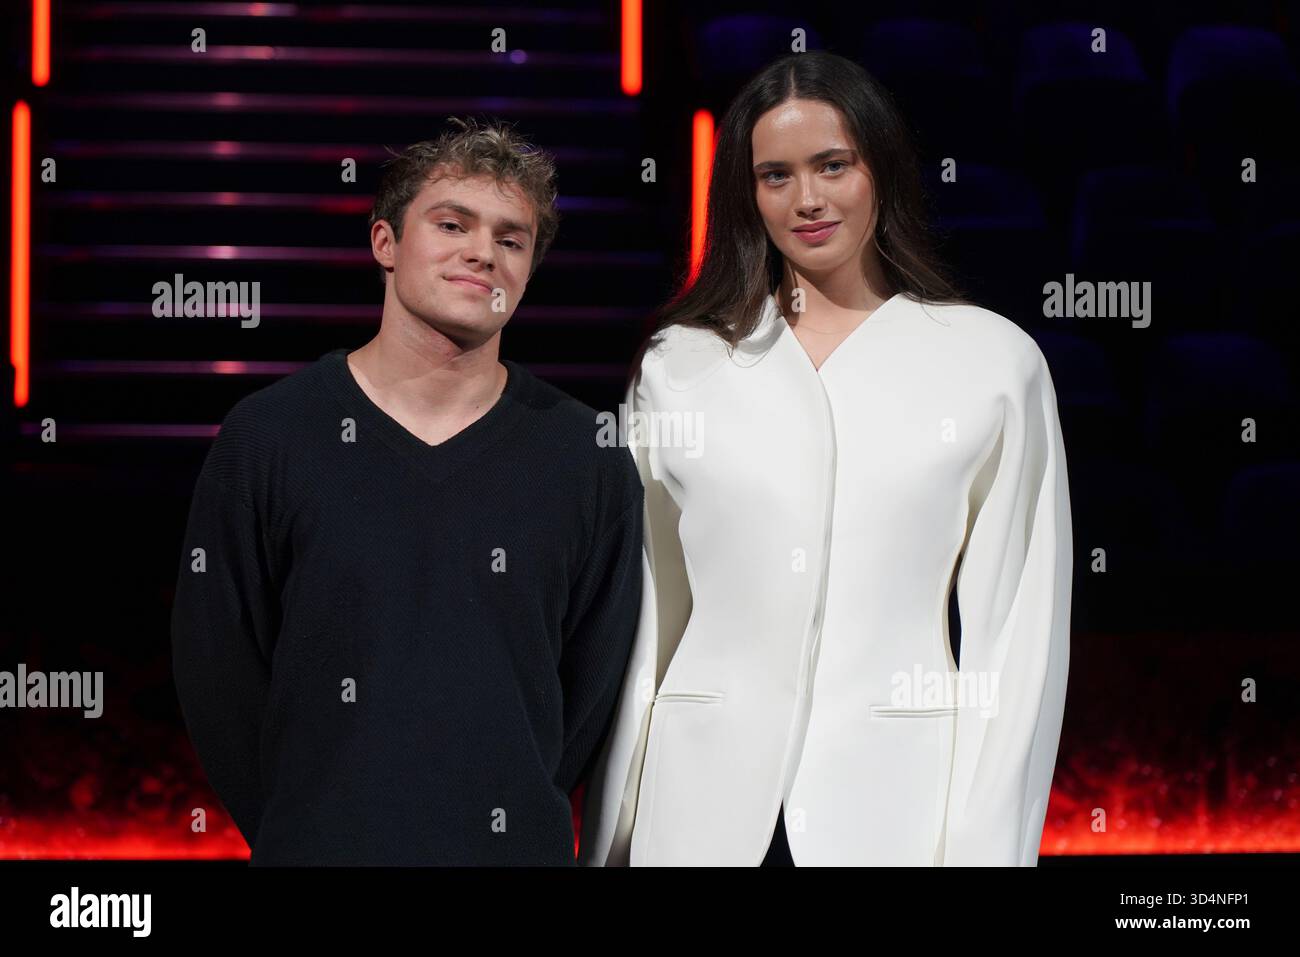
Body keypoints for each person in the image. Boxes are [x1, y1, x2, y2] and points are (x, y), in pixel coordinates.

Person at [578, 51, 1072, 867]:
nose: (806, 199)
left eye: (832, 165)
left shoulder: (992, 361)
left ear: (879, 169)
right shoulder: (681, 363)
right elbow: (643, 618)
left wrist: (988, 850)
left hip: (896, 809)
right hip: (696, 806)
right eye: (775, 175)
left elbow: (1017, 644)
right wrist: (609, 835)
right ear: (747, 195)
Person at [171, 117, 644, 865]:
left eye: (510, 238)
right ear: (385, 243)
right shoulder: (269, 436)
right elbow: (217, 669)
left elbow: (592, 692)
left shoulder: (587, 457)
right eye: (451, 223)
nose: (481, 252)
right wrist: (301, 825)